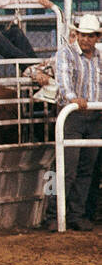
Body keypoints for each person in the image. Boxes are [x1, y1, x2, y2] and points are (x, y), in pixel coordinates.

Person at [54, 13, 102, 231]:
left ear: (96, 37)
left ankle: (75, 214)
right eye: (83, 35)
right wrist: (73, 98)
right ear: (77, 34)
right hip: (72, 115)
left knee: (86, 168)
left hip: (94, 116)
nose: (86, 39)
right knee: (67, 167)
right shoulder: (67, 53)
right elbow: (63, 82)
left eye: (90, 36)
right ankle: (54, 214)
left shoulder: (99, 58)